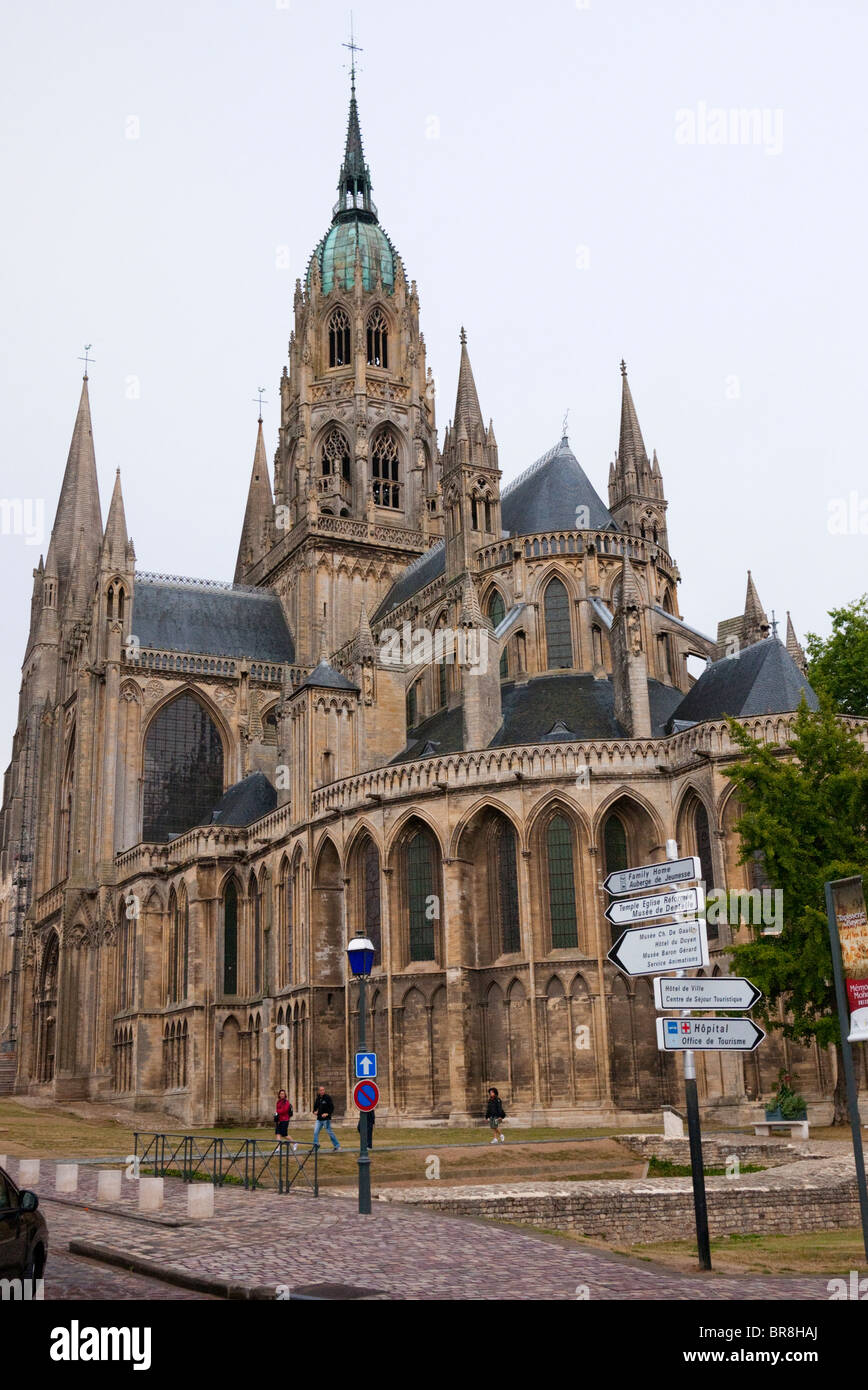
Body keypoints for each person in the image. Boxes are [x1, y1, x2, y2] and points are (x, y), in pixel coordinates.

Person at [312, 1085, 340, 1151]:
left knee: (329, 1132)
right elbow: (314, 1108)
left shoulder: (327, 1097)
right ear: (319, 1091)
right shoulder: (318, 1098)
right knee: (315, 1132)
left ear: (324, 1091)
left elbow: (332, 1108)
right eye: (320, 1090)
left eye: (323, 1090)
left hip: (326, 1119)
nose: (322, 1091)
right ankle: (316, 1146)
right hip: (319, 1119)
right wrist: (314, 1112)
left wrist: (327, 1114)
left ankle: (337, 1146)